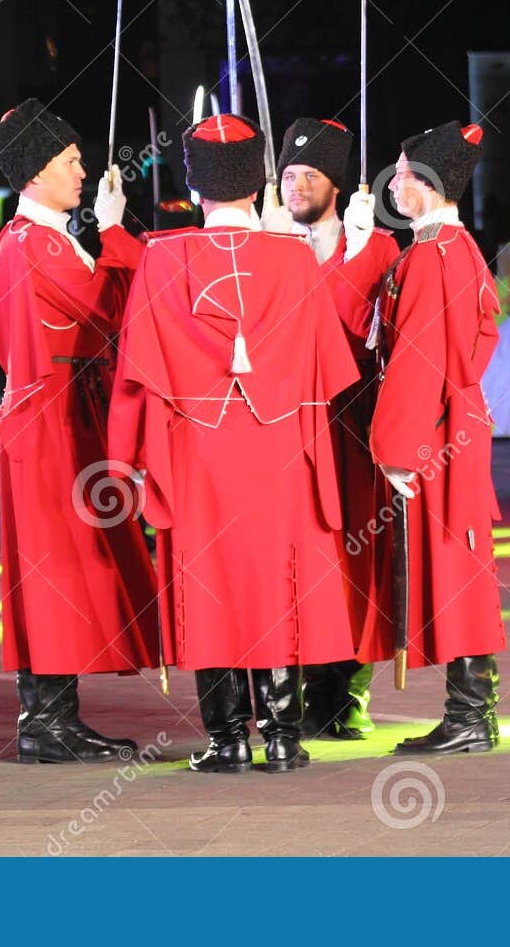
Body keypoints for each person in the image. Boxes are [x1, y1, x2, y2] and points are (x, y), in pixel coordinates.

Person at [109, 113, 360, 773]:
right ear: (258, 186)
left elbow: (135, 377)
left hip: (196, 452)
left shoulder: (163, 256)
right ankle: (283, 736)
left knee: (210, 583)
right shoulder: (294, 258)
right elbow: (330, 371)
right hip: (279, 449)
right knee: (279, 584)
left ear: (195, 188)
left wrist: (130, 463)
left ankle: (227, 741)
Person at [0, 98, 160, 764]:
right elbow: (115, 309)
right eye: (71, 160)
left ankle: (53, 714)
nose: (84, 171)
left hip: (54, 415)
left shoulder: (35, 239)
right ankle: (46, 719)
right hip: (54, 425)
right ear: (35, 173)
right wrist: (115, 235)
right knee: (58, 567)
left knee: (65, 567)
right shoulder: (37, 245)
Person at [367, 122, 507, 755]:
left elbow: (418, 359)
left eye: (402, 172)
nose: (393, 182)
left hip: (434, 431)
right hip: (450, 424)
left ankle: (472, 714)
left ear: (430, 184)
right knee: (463, 561)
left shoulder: (430, 255)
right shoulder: (451, 248)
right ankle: (471, 709)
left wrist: (395, 446)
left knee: (456, 562)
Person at [278, 116, 400, 740]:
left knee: (353, 556)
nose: (295, 186)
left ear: (338, 185)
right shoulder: (266, 243)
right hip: (285, 424)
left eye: (310, 176)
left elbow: (357, 332)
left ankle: (347, 690)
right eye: (288, 175)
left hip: (351, 420)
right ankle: (294, 689)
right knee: (297, 558)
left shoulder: (377, 246)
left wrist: (351, 255)